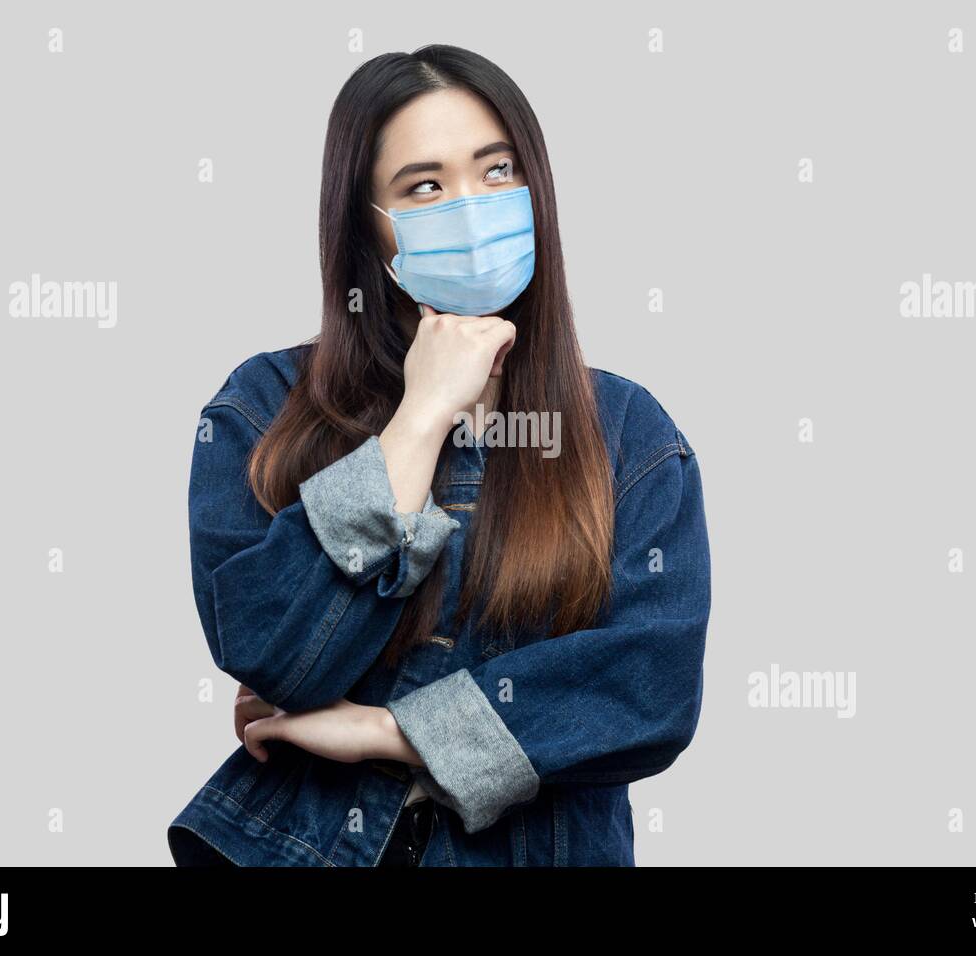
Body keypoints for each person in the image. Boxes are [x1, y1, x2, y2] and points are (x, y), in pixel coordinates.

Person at [167, 43, 711, 867]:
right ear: (367, 225)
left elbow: (650, 688)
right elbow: (271, 650)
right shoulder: (264, 408)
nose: (470, 205)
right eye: (424, 186)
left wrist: (393, 731)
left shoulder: (626, 431)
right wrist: (418, 421)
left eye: (497, 172)